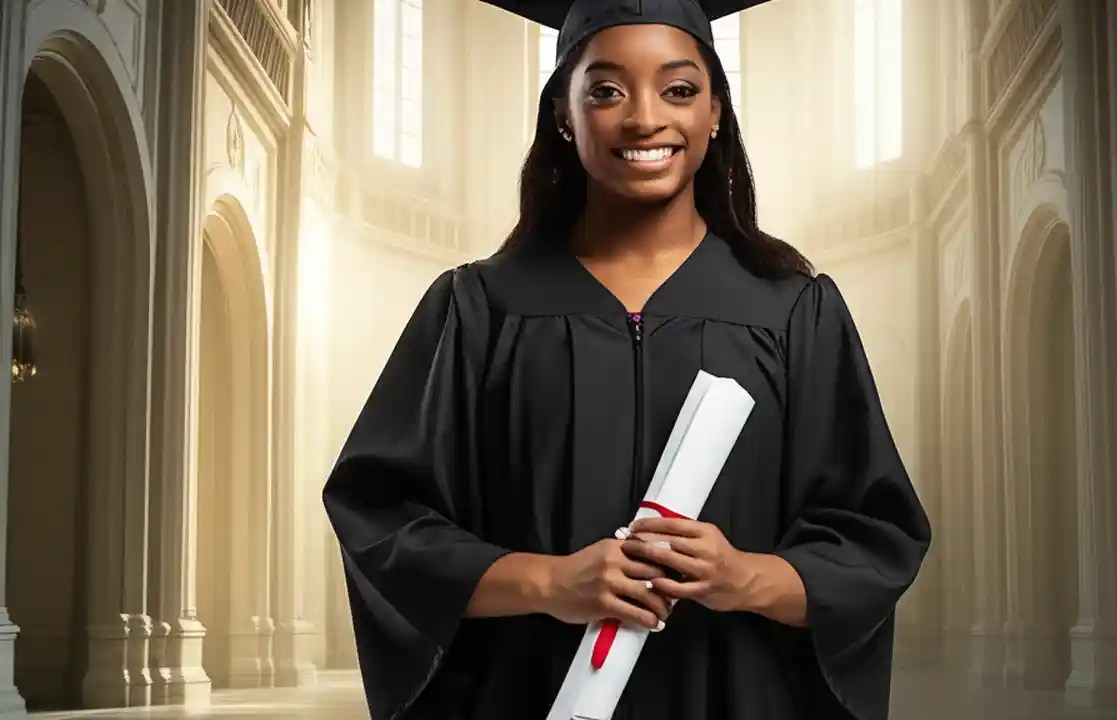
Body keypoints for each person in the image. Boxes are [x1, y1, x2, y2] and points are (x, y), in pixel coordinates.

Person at [322, 0, 932, 717]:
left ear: (715, 112)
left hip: (737, 694)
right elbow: (381, 517)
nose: (645, 119)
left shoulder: (795, 312)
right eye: (607, 90)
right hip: (530, 692)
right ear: (563, 113)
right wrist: (549, 582)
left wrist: (744, 577)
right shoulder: (480, 310)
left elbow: (873, 536)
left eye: (679, 89)